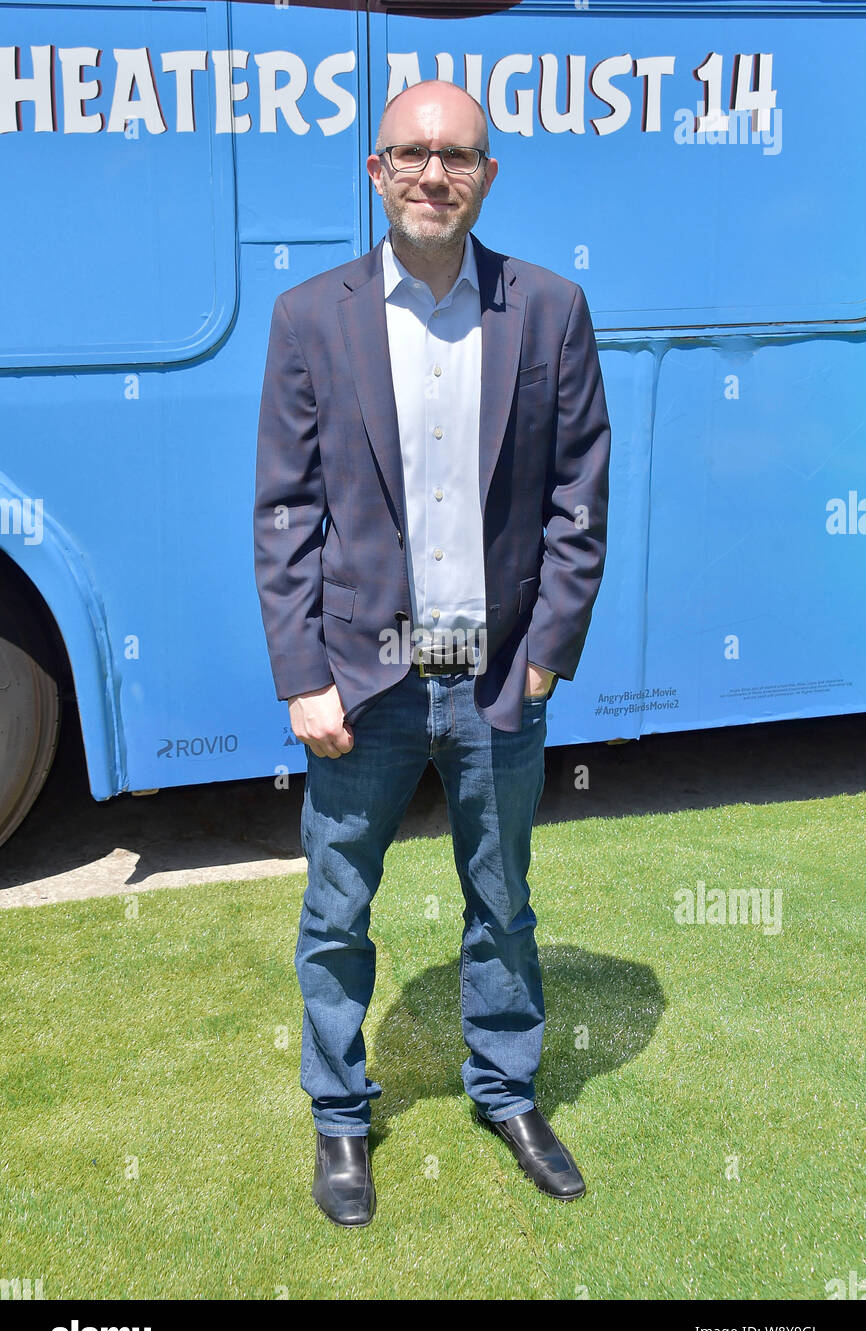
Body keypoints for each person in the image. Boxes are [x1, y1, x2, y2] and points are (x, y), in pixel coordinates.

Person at [254, 78, 611, 1227]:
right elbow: (284, 512)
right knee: (336, 911)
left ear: (486, 176)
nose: (431, 174)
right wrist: (301, 673)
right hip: (363, 678)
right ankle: (341, 1118)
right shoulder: (312, 317)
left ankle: (506, 1091)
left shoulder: (547, 309)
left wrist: (546, 652)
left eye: (455, 156)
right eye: (409, 154)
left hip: (497, 677)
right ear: (376, 171)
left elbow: (577, 496)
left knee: (501, 903)